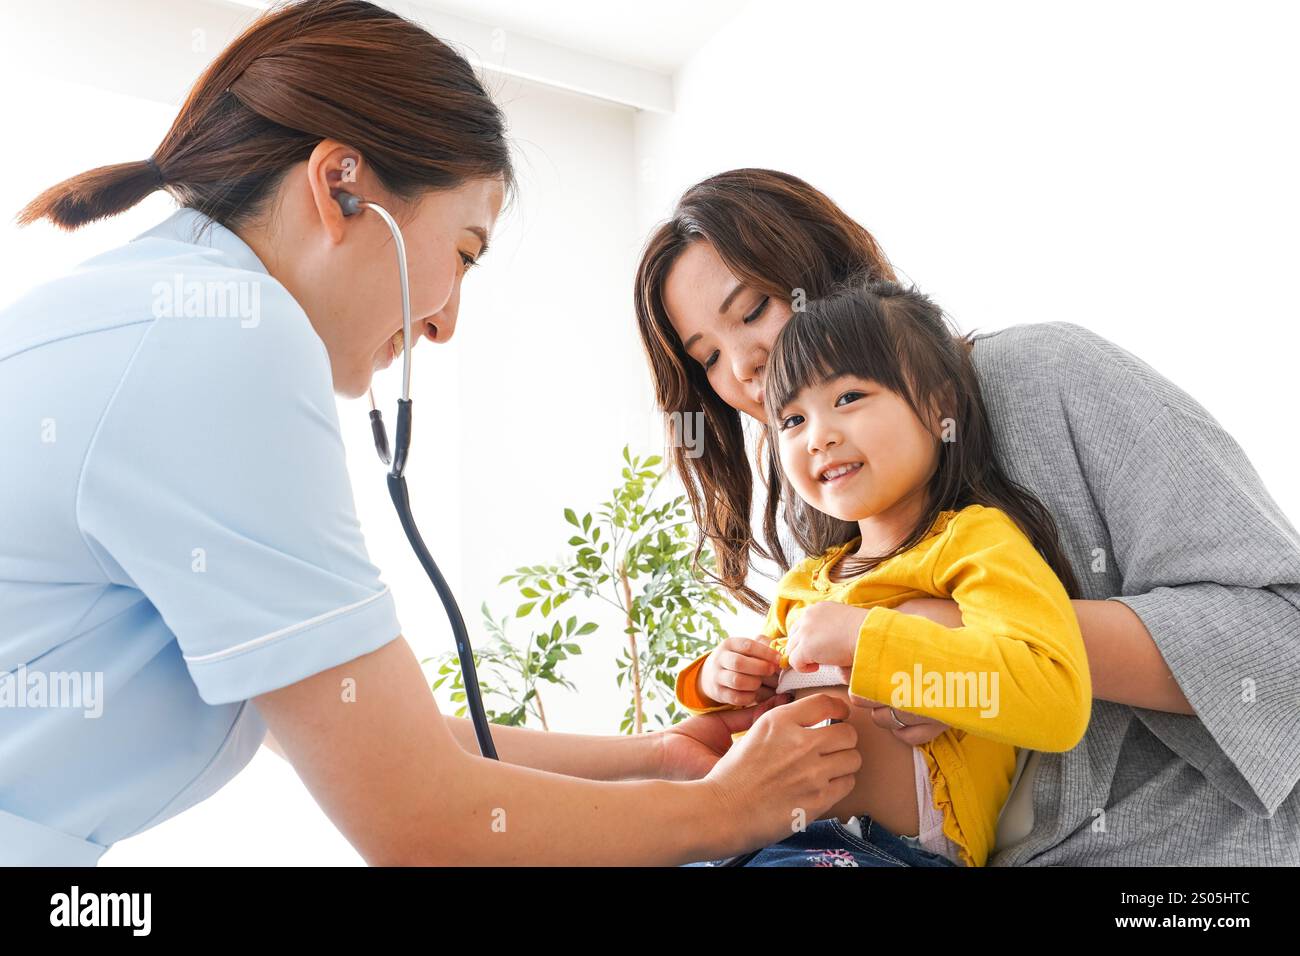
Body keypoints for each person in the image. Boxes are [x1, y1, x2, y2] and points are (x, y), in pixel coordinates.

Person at [0, 0, 862, 867]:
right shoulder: (221, 341)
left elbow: (384, 742)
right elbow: (421, 822)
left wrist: (662, 760)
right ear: (342, 189)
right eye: (464, 252)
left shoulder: (164, 307)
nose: (445, 322)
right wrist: (735, 811)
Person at [634, 167, 1300, 865]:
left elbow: (1280, 637)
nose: (743, 365)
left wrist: (945, 639)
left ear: (830, 277)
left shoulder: (1047, 377)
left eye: (754, 309)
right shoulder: (830, 511)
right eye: (706, 356)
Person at [677, 279, 1092, 867]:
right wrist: (719, 680)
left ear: (938, 404)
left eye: (847, 398)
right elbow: (739, 727)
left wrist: (869, 640)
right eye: (791, 420)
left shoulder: (974, 542)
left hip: (884, 855)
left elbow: (1055, 699)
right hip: (758, 840)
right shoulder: (807, 581)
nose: (818, 435)